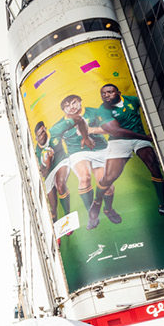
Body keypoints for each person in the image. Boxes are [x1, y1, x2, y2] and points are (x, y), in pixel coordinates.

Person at [91, 83, 164, 218]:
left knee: (154, 165)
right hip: (119, 141)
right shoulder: (102, 110)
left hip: (139, 138)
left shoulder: (132, 100)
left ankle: (163, 207)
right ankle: (98, 202)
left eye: (109, 92)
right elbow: (117, 131)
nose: (106, 95)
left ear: (119, 93)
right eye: (103, 93)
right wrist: (146, 137)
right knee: (109, 178)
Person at [51, 94, 118, 229]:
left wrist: (91, 130)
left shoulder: (93, 112)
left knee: (106, 185)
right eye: (67, 105)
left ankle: (108, 209)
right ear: (63, 110)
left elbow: (110, 128)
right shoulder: (60, 125)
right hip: (78, 152)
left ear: (80, 101)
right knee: (84, 177)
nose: (71, 107)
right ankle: (92, 215)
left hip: (99, 149)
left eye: (74, 102)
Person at [33, 122, 71, 222]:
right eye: (38, 135)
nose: (41, 136)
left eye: (42, 132)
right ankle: (56, 228)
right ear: (36, 138)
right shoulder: (37, 151)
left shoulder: (55, 131)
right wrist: (48, 163)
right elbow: (42, 172)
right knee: (53, 208)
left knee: (60, 184)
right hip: (49, 171)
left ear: (45, 129)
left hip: (61, 161)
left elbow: (71, 121)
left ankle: (68, 216)